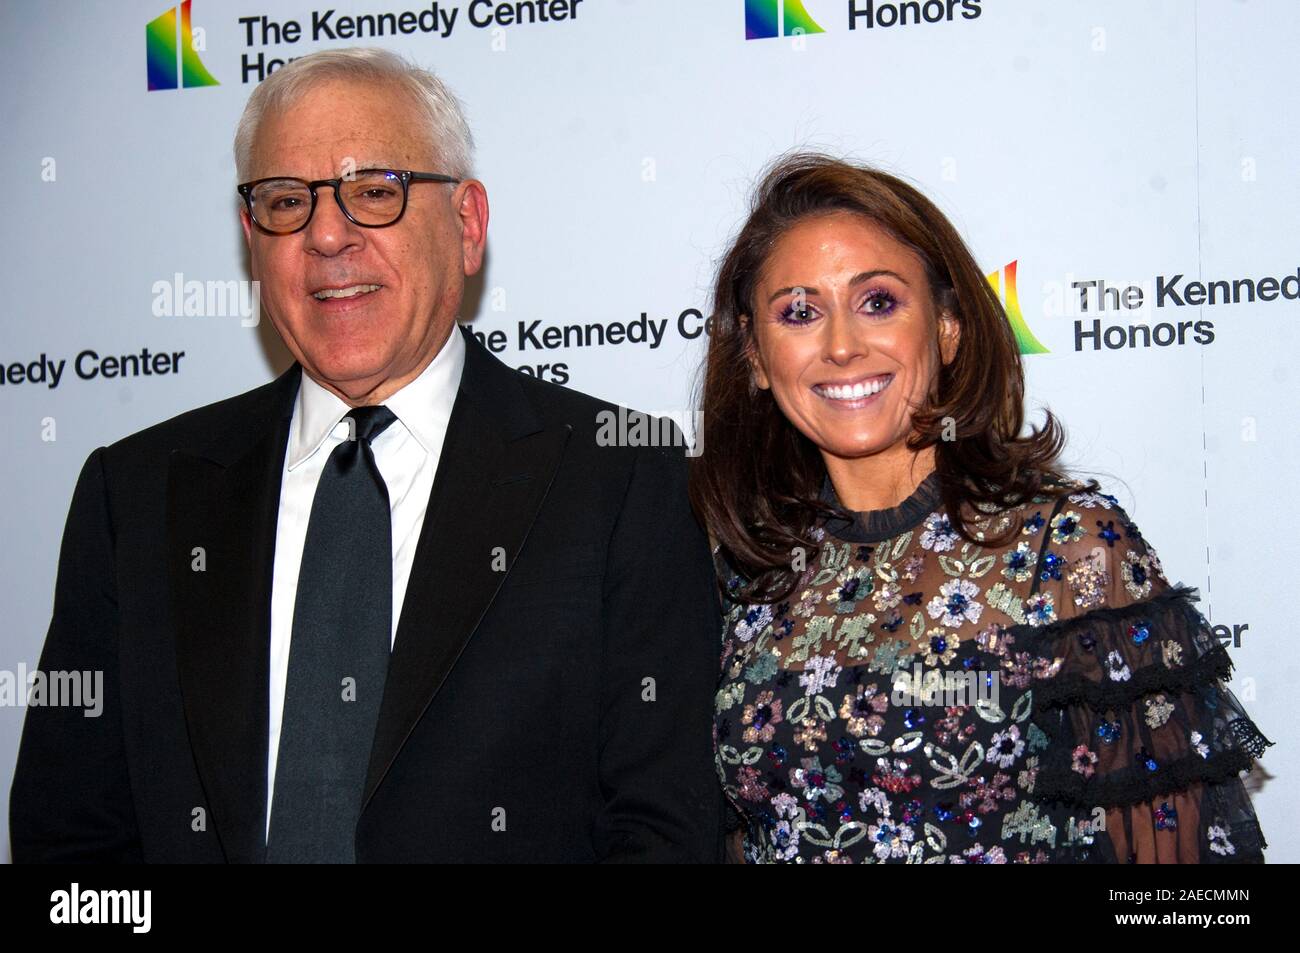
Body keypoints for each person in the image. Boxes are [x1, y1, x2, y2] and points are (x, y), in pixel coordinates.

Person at [10, 48, 723, 863]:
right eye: (285, 201)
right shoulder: (133, 495)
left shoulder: (624, 477)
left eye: (375, 192)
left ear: (467, 225)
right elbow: (68, 846)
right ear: (251, 237)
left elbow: (664, 830)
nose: (325, 234)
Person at [690, 152, 1271, 864]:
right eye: (799, 312)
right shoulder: (744, 573)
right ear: (753, 353)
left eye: (878, 302)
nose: (841, 345)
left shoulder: (1069, 549)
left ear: (948, 327)